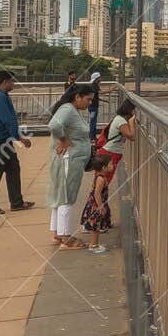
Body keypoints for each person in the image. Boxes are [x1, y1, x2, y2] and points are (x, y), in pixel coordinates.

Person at [81, 98, 135, 253]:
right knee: (101, 186)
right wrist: (132, 123)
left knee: (100, 186)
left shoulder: (117, 119)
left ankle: (91, 222)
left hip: (109, 153)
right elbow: (132, 136)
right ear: (130, 111)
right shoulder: (121, 121)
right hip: (109, 153)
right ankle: (93, 222)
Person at [0, 70, 35, 215]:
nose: (13, 84)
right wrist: (20, 137)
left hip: (4, 139)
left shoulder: (1, 95)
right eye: (12, 81)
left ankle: (16, 202)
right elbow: (7, 119)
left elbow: (9, 119)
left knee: (13, 169)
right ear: (5, 82)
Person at [47, 85, 94, 249]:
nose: (89, 103)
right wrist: (64, 140)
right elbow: (54, 125)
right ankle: (66, 237)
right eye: (88, 99)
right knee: (67, 196)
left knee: (60, 195)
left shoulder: (71, 110)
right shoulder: (67, 110)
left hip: (71, 159)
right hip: (70, 159)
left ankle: (57, 233)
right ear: (77, 97)